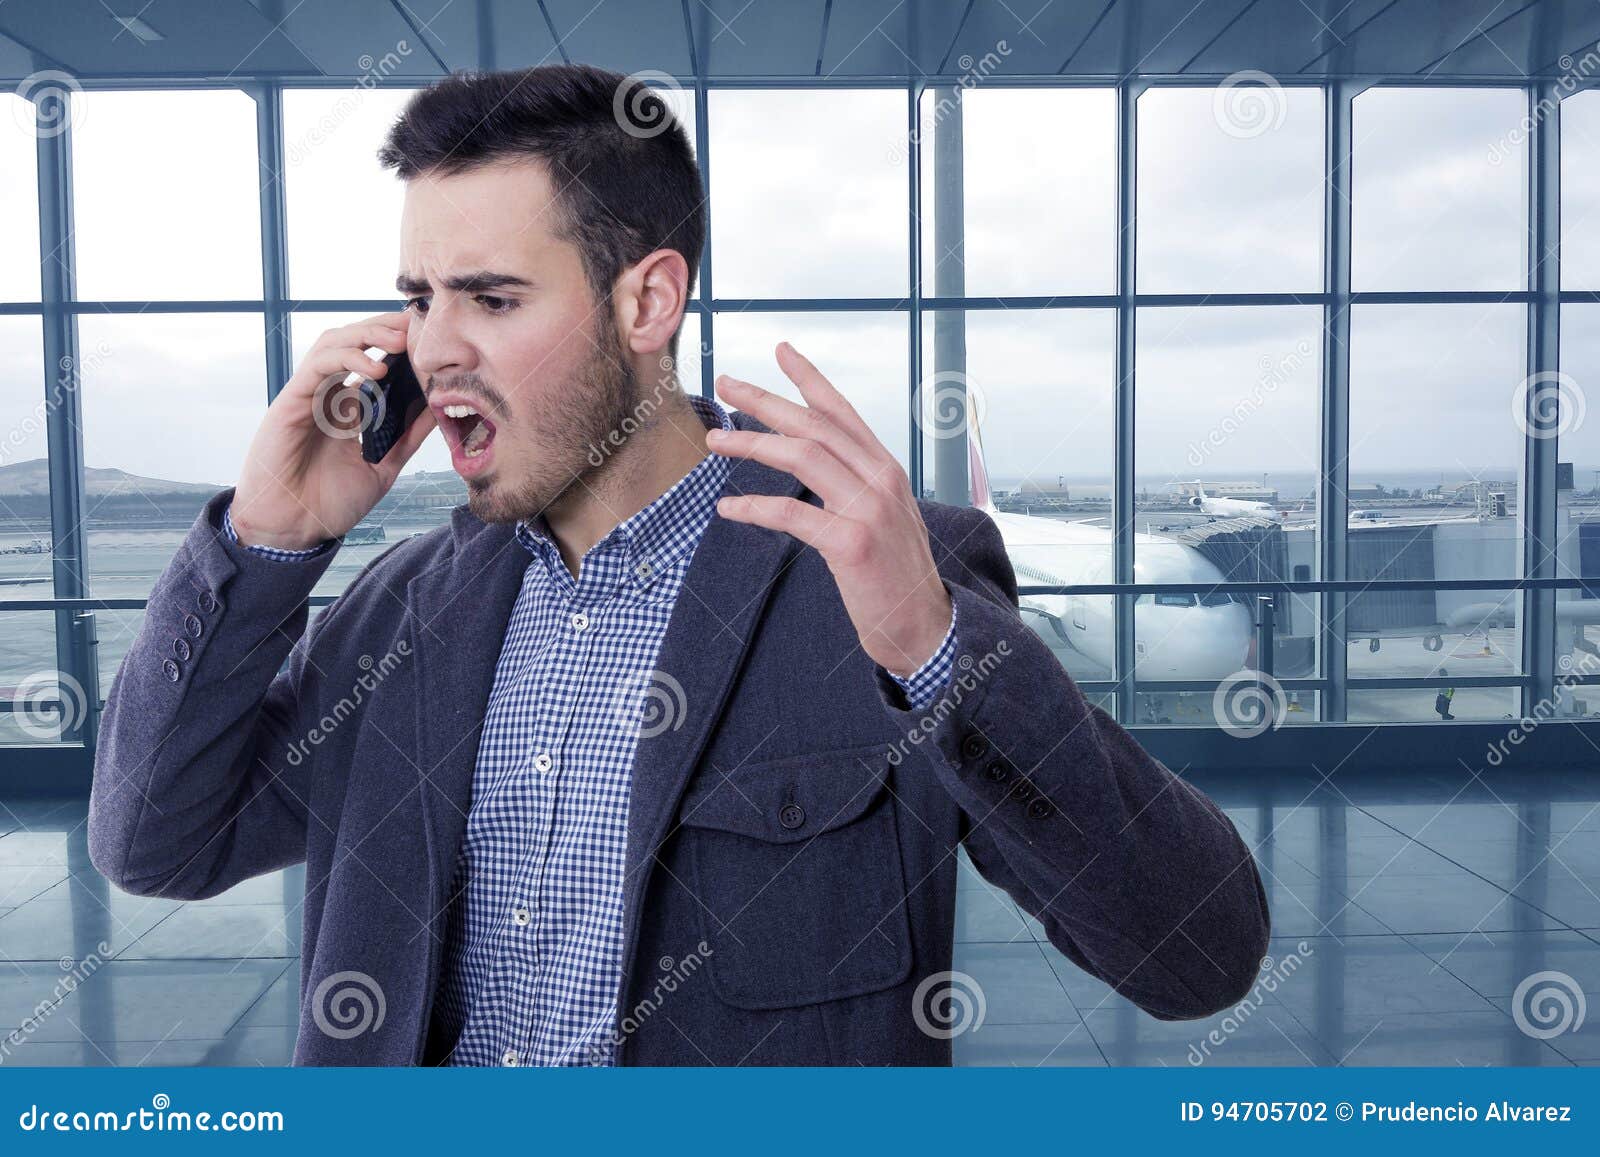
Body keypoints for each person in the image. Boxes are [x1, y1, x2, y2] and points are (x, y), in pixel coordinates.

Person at [87, 64, 1269, 1066]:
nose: (434, 347)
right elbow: (154, 843)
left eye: (491, 297)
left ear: (647, 299)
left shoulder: (879, 582)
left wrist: (935, 647)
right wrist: (263, 542)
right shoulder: (401, 609)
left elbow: (1194, 952)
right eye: (418, 297)